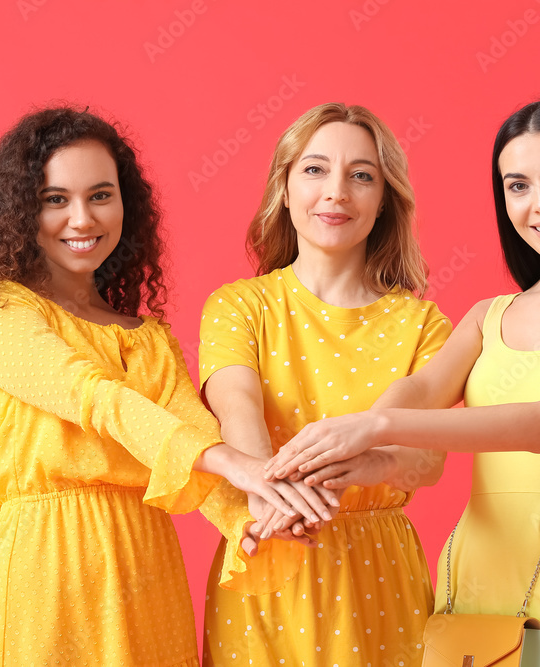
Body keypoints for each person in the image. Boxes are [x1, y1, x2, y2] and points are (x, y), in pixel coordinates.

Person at [266, 93, 540, 666]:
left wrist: (372, 426)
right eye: (517, 185)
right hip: (475, 570)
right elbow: (420, 392)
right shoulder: (488, 315)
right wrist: (328, 473)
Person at [0, 107, 326, 666]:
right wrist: (237, 463)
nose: (83, 219)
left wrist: (257, 518)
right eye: (55, 199)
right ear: (20, 210)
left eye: (100, 195)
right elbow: (95, 397)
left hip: (146, 566)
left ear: (125, 203)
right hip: (50, 567)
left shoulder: (147, 336)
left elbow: (193, 428)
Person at [198, 102, 453, 666]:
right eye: (314, 170)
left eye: (361, 175)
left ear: (384, 199)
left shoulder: (424, 326)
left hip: (380, 577)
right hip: (269, 551)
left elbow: (429, 459)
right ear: (284, 190)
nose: (336, 191)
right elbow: (236, 409)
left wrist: (369, 466)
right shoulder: (239, 307)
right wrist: (277, 498)